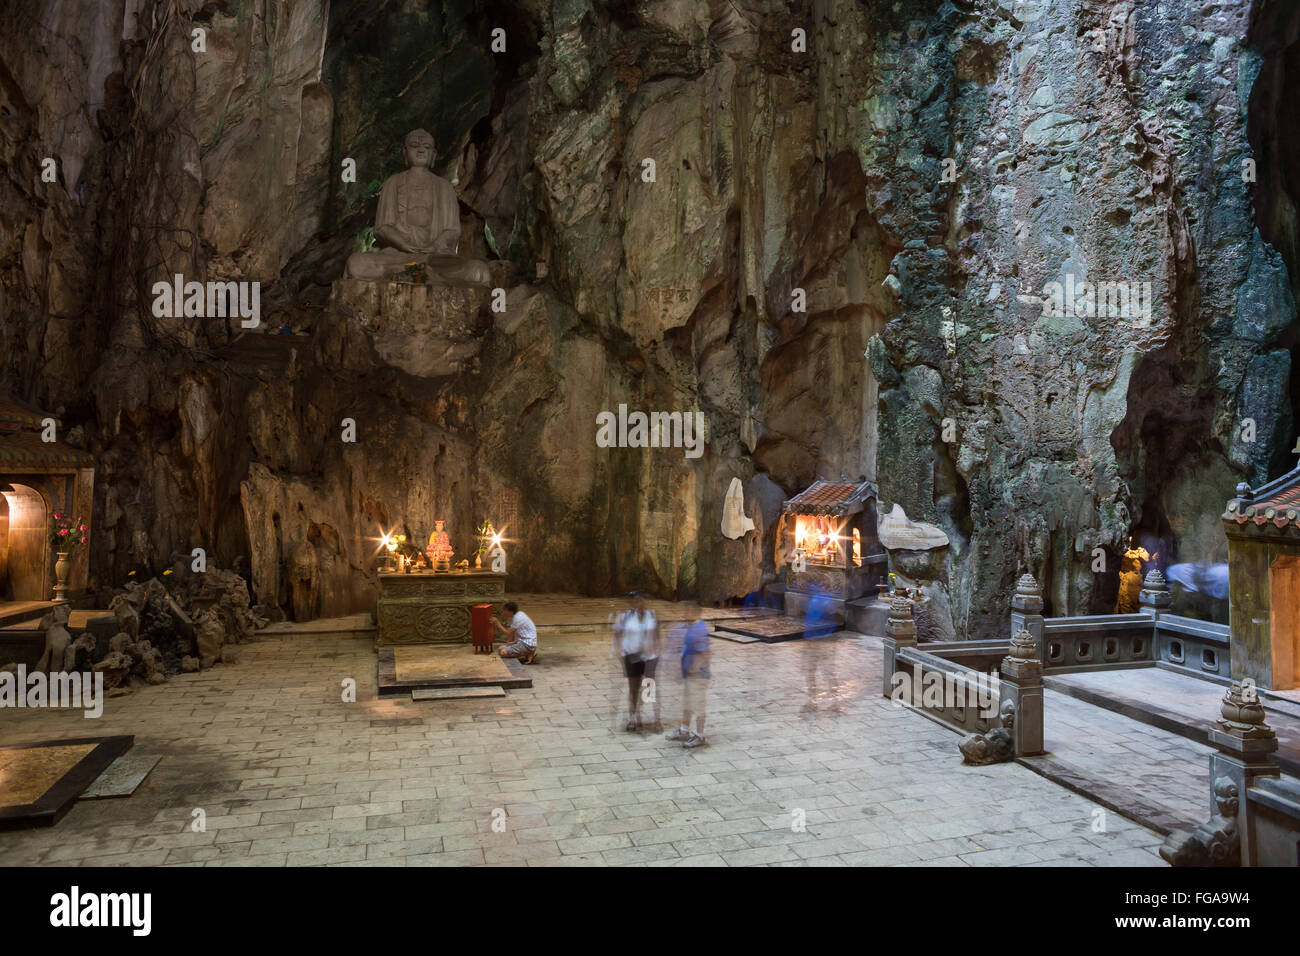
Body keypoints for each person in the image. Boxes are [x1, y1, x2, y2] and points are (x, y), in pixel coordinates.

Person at [613, 591, 661, 732]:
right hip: (632, 655)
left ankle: (654, 719)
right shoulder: (625, 617)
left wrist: (656, 648)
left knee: (649, 688)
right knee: (633, 689)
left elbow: (657, 636)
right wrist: (620, 653)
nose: (640, 603)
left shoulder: (652, 616)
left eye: (642, 600)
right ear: (632, 603)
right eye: (637, 601)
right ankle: (633, 717)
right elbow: (617, 635)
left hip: (649, 657)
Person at [667, 604, 709, 748]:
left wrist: (693, 668)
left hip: (698, 676)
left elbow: (705, 654)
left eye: (687, 610)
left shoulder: (700, 630)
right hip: (689, 675)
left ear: (695, 612)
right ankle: (684, 731)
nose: (685, 612)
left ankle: (700, 735)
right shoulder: (690, 626)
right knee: (687, 704)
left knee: (698, 706)